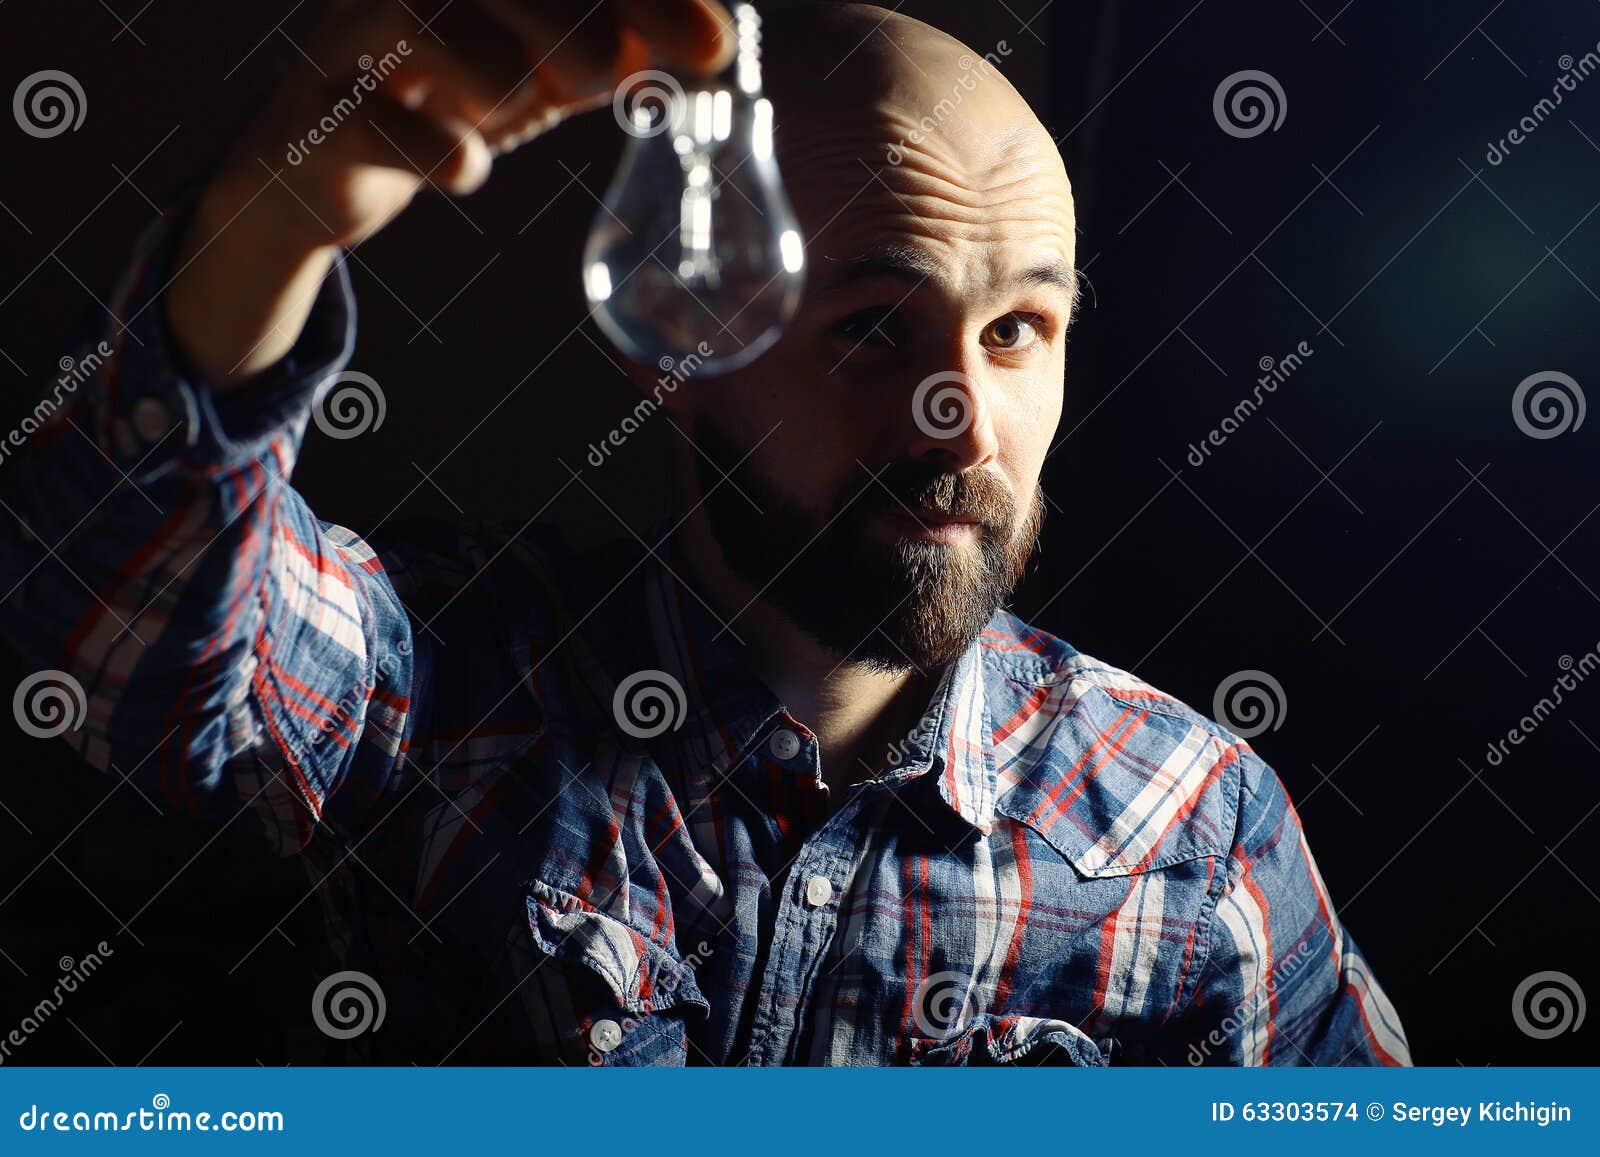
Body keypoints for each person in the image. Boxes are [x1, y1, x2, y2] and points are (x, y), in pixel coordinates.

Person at [0, 0, 1410, 1066]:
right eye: (873, 326)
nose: (962, 419)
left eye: (1019, 330)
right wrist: (273, 218)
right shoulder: (445, 683)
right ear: (679, 329)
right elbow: (120, 640)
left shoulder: (1195, 835)